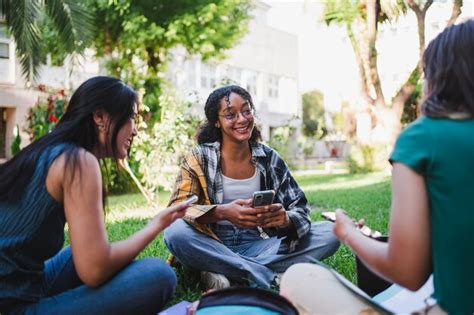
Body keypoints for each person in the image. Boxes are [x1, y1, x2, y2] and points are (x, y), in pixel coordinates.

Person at [280, 19, 474, 315]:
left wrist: (347, 233)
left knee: (299, 277)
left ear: (441, 77)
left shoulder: (424, 137)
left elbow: (407, 271)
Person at [0, 76, 191, 314]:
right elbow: (94, 271)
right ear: (100, 117)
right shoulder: (78, 161)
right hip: (12, 306)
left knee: (79, 252)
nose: (135, 130)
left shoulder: (48, 149)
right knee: (158, 275)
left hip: (23, 282)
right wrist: (157, 225)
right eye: (131, 117)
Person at [164, 85, 339, 289]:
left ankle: (221, 270)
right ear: (216, 122)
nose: (242, 119)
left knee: (331, 231)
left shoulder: (270, 159)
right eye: (230, 115)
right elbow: (177, 209)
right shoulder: (199, 158)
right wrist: (222, 212)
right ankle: (267, 276)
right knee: (174, 232)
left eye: (246, 111)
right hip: (211, 242)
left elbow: (299, 208)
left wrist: (285, 219)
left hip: (260, 244)